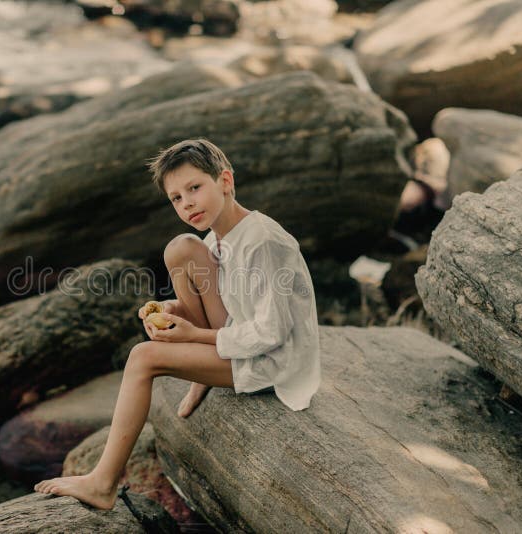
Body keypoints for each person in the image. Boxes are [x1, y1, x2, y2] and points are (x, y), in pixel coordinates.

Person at [33, 138, 321, 509]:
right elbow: (227, 300)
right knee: (182, 248)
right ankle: (202, 375)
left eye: (194, 188)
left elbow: (271, 332)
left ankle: (102, 484)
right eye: (176, 198)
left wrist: (195, 335)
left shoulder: (262, 242)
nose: (187, 203)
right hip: (243, 338)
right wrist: (171, 310)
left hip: (276, 362)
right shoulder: (218, 238)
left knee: (143, 357)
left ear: (225, 181)